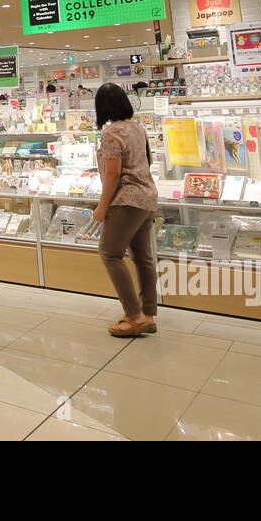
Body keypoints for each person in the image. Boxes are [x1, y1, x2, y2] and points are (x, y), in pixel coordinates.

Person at [92, 83, 159, 338]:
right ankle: (148, 315)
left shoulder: (111, 133)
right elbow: (148, 161)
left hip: (126, 201)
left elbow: (112, 173)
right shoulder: (137, 127)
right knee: (143, 257)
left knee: (110, 254)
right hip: (147, 198)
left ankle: (134, 315)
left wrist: (102, 205)